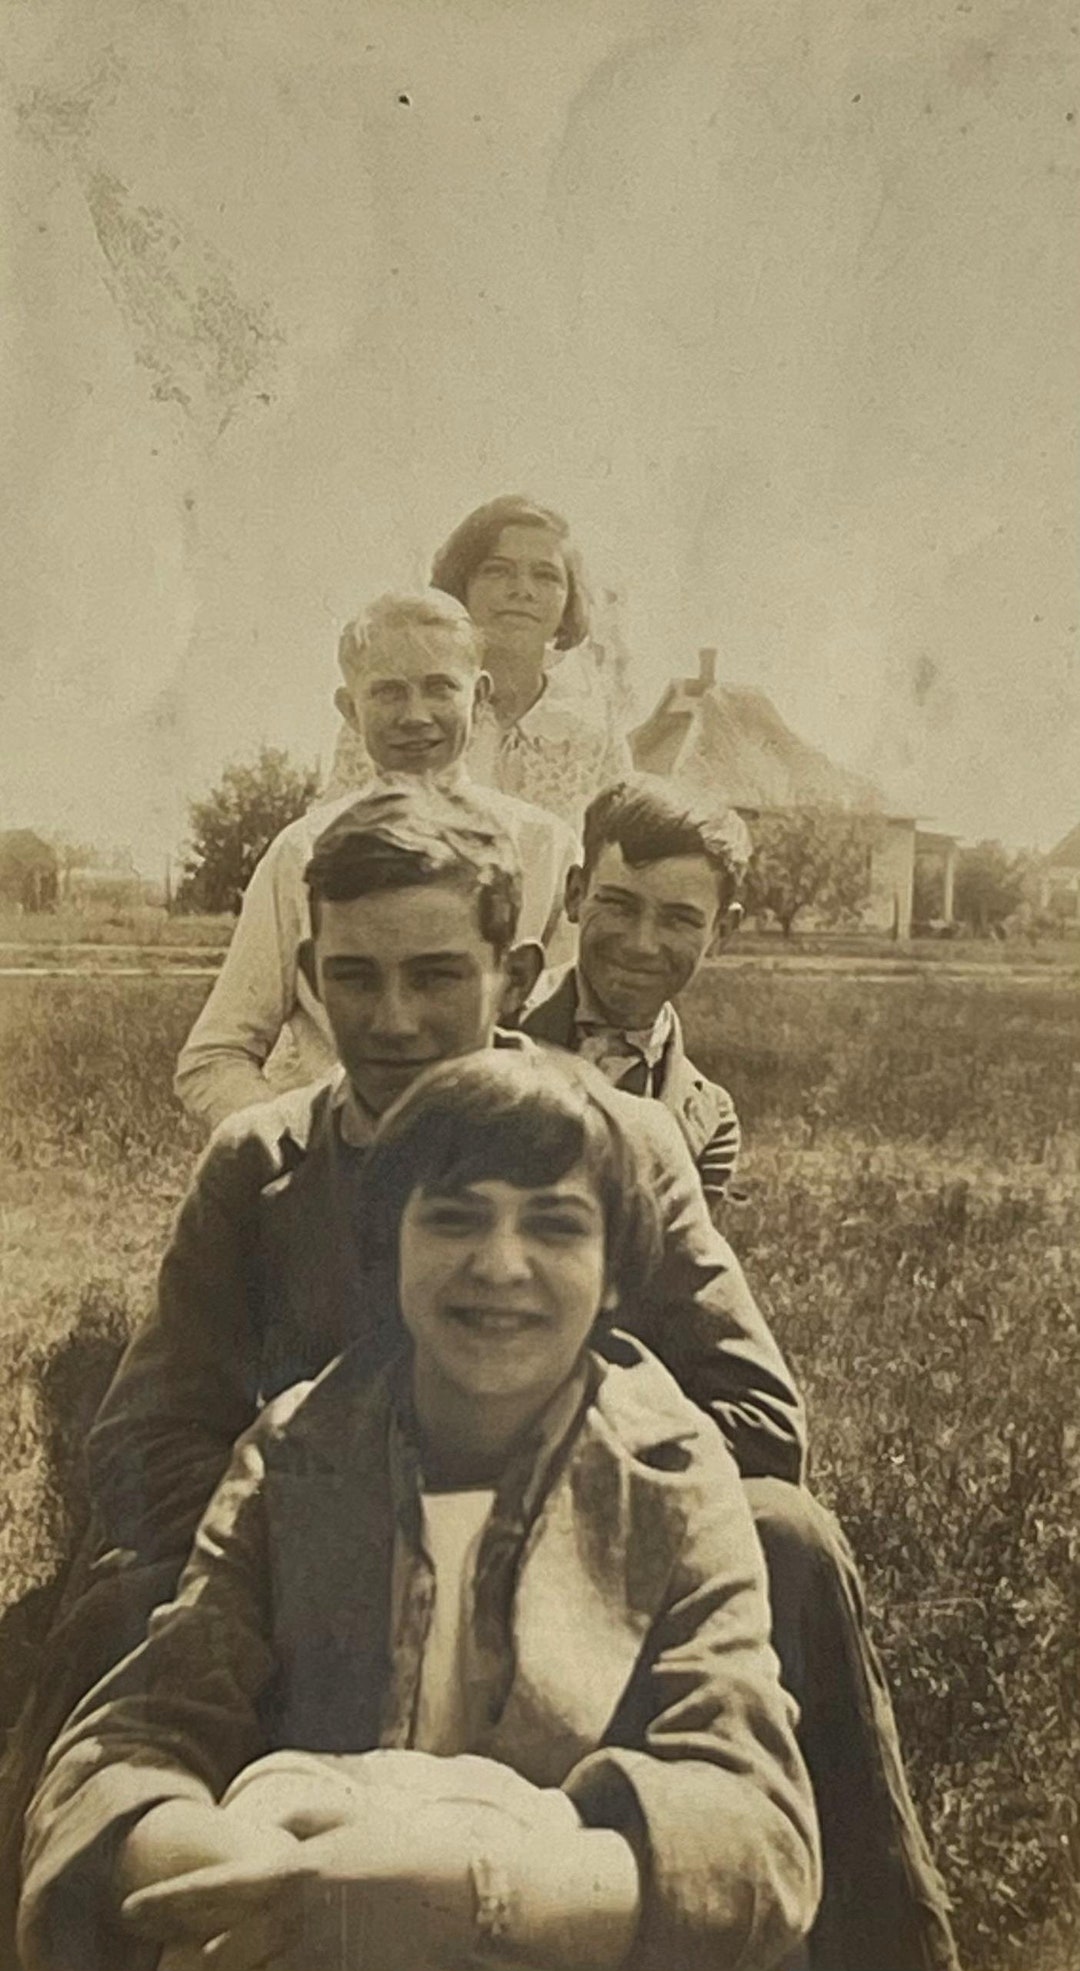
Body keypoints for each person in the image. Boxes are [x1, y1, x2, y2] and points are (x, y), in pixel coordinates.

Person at [0, 783, 956, 1971]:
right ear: (309, 974)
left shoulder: (616, 1144)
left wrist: (551, 1495)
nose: (395, 1019)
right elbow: (146, 1436)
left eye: (439, 976)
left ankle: (871, 1939)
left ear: (514, 974)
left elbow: (757, 1419)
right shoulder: (265, 1162)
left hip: (601, 1557)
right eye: (355, 978)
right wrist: (332, 1528)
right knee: (120, 1600)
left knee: (789, 1536)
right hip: (302, 1556)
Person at [18, 1052, 822, 1971]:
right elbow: (131, 1740)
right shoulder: (298, 1451)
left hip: (555, 1927)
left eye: (556, 1225)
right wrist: (258, 1877)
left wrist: (477, 1892)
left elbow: (753, 1827)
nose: (501, 1264)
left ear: (613, 1277)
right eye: (453, 1217)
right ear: (388, 1249)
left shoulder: (671, 1473)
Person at [174, 590, 579, 1130]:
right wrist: (301, 1146)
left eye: (440, 688)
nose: (415, 716)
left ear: (480, 696)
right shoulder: (302, 851)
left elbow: (574, 1046)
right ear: (350, 709)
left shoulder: (547, 847)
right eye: (388, 692)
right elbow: (213, 1057)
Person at [328, 496, 632, 826]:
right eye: (497, 571)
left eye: (546, 576)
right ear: (461, 584)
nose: (523, 590)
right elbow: (334, 834)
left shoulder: (595, 728)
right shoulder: (393, 713)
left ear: (569, 598)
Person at [523, 774, 749, 1205]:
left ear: (722, 931)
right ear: (575, 895)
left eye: (679, 919)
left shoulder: (709, 1120)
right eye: (618, 905)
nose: (641, 945)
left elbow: (683, 1247)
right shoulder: (487, 1032)